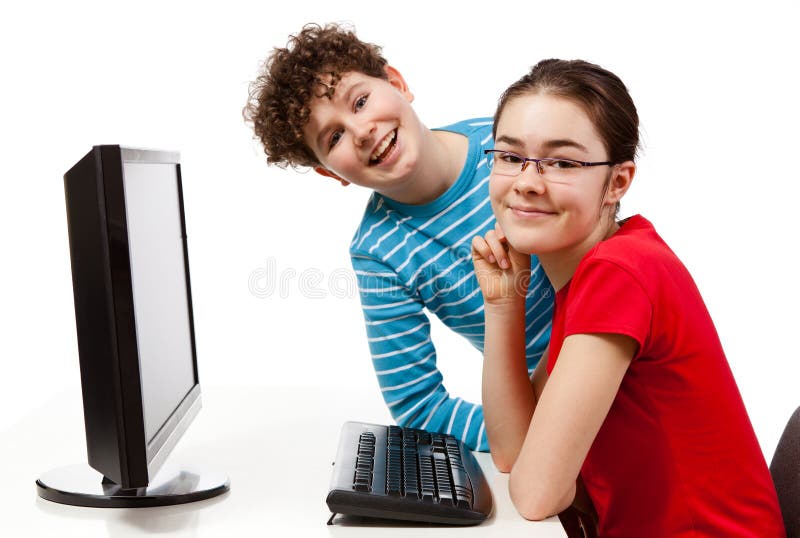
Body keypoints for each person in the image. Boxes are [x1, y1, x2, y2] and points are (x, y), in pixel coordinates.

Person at [472, 59, 785, 536]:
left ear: (617, 182)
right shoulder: (598, 270)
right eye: (510, 157)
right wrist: (502, 305)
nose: (527, 181)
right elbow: (514, 454)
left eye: (563, 163)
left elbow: (536, 495)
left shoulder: (619, 272)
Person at [243, 23, 553, 451]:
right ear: (330, 173)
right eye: (334, 137)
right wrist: (521, 431)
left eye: (360, 101)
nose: (361, 131)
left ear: (397, 82)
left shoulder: (506, 143)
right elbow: (420, 407)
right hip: (553, 416)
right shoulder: (380, 253)